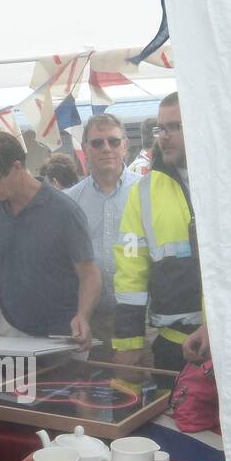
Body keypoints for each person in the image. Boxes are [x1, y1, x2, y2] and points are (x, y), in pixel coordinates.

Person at [112, 92, 203, 372]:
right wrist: (129, 343)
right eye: (161, 128)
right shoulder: (143, 192)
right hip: (173, 347)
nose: (164, 136)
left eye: (175, 127)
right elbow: (130, 275)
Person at [0, 130, 98, 350]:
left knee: (61, 385)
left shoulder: (64, 210)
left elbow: (89, 274)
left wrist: (83, 316)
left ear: (17, 167)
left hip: (62, 334)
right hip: (10, 329)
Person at [65, 113, 142, 361]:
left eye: (113, 141)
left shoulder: (147, 192)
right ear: (85, 148)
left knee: (139, 392)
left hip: (139, 318)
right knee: (90, 392)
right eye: (97, 143)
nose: (106, 148)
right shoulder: (69, 201)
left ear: (126, 146)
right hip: (89, 320)